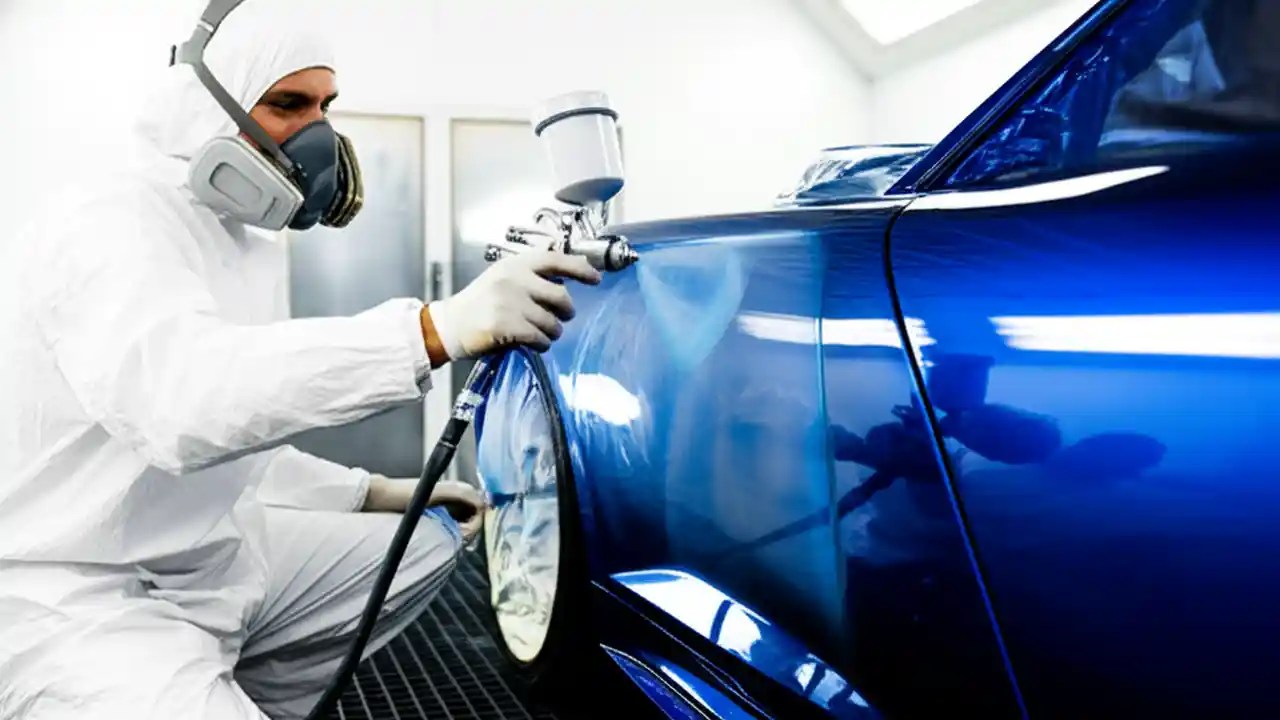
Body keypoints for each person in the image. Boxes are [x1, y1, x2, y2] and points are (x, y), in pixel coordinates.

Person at [0, 1, 600, 718]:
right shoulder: (106, 220)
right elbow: (184, 406)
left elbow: (237, 445)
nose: (317, 133)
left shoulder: (239, 241)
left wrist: (379, 490)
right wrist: (435, 330)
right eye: (288, 104)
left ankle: (241, 694)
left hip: (207, 557)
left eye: (325, 105)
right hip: (82, 589)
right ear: (208, 110)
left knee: (426, 544)